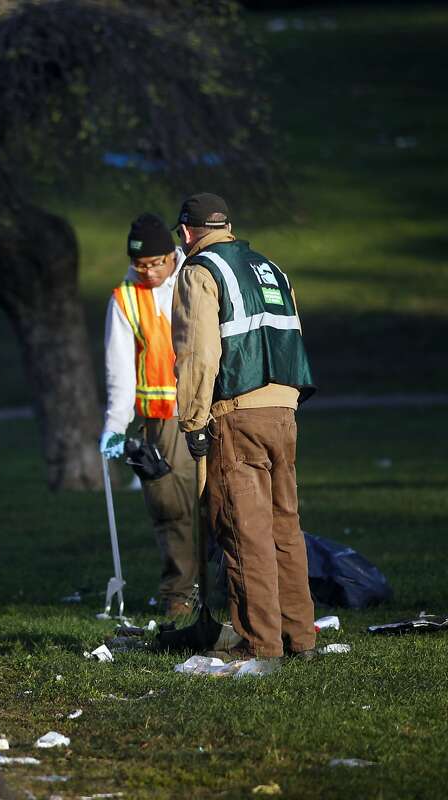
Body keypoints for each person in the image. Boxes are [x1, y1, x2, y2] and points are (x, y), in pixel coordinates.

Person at [170, 192, 317, 660]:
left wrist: (193, 419)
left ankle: (260, 645)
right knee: (284, 529)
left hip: (238, 414)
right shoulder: (272, 268)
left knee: (244, 530)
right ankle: (301, 639)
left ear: (188, 232)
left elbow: (200, 352)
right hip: (285, 409)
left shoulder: (200, 271)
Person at [99, 213, 197, 618]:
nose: (151, 272)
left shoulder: (196, 277)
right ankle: (180, 594)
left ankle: (228, 586)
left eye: (158, 262)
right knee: (168, 505)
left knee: (215, 502)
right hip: (160, 419)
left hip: (208, 408)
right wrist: (114, 427)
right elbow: (119, 370)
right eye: (142, 266)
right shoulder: (125, 298)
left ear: (171, 255)